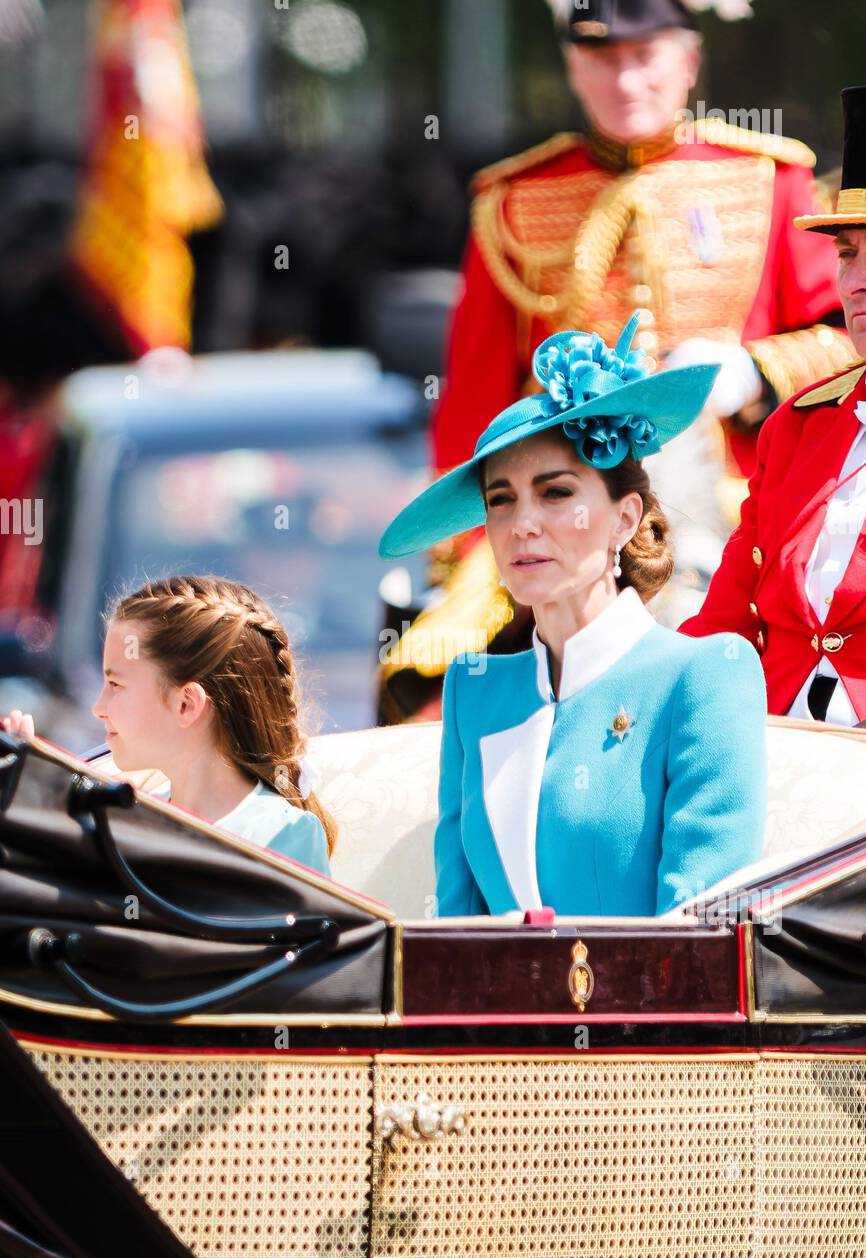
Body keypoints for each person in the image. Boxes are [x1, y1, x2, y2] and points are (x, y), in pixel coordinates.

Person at [379, 0, 850, 723]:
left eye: (644, 55)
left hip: (737, 514)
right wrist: (463, 554)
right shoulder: (512, 197)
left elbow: (844, 340)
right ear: (573, 65)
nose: (625, 78)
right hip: (554, 509)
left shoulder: (768, 177)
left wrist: (753, 372)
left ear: (688, 60)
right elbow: (474, 394)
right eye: (603, 58)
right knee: (431, 693)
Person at [379, 316, 767, 917]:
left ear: (625, 518)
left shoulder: (705, 673)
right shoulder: (472, 689)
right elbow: (454, 932)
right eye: (500, 500)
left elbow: (706, 942)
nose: (522, 524)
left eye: (556, 492)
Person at [680, 88, 866, 726]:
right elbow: (726, 616)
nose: (856, 281)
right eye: (847, 255)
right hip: (778, 754)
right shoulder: (798, 425)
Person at [1, 574, 334, 874]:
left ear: (186, 704)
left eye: (115, 685)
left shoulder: (284, 835)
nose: (98, 708)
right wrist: (30, 800)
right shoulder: (124, 812)